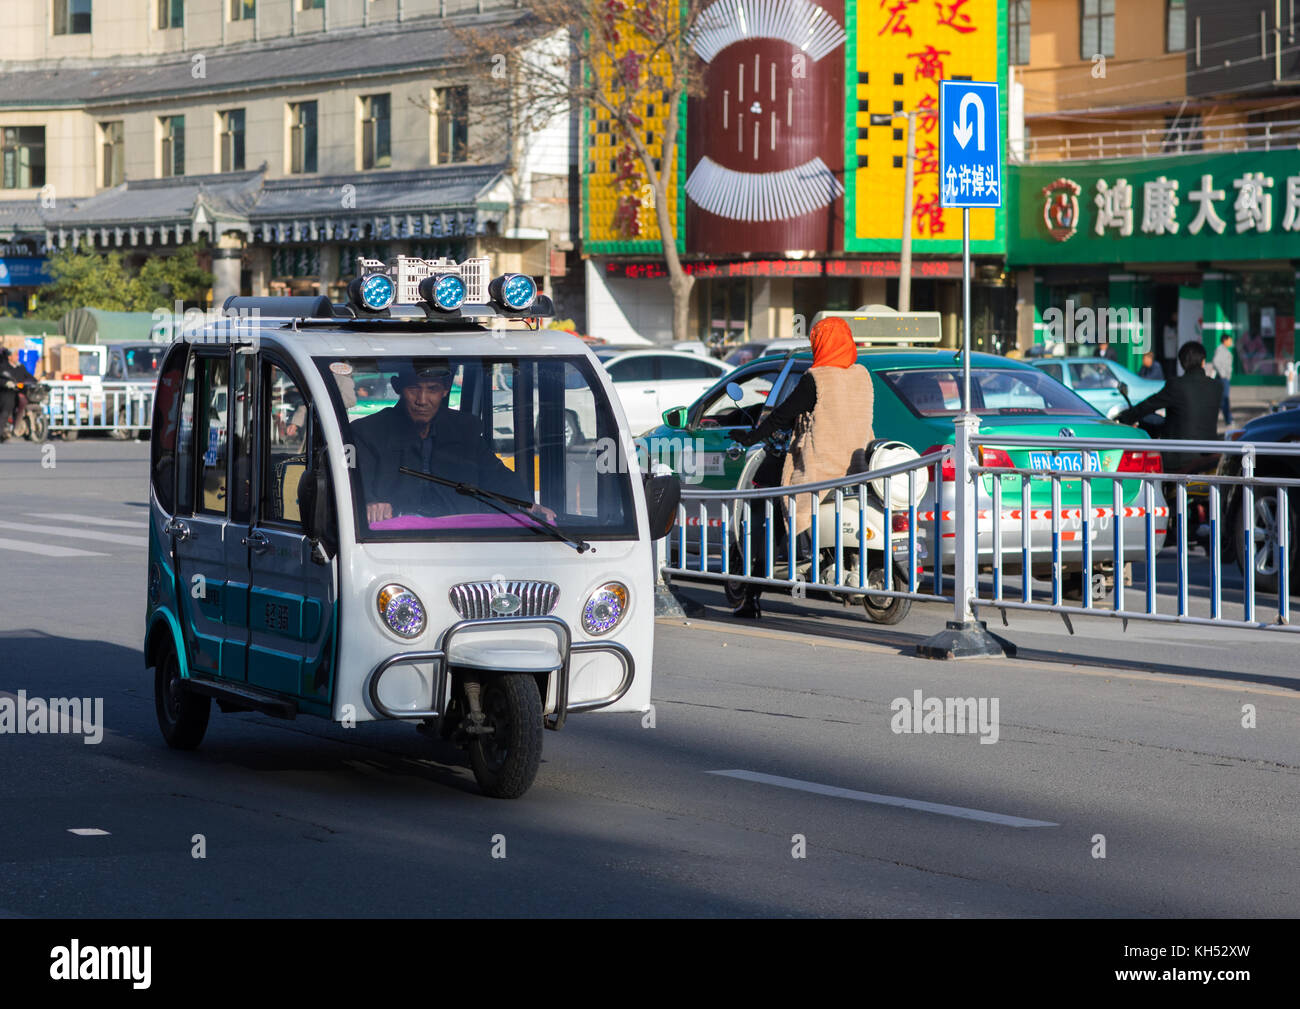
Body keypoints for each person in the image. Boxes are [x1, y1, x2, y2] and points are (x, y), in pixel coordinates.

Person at [729, 317, 874, 618]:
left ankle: (753, 595)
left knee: (773, 515)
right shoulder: (862, 375)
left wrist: (750, 437)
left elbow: (782, 415)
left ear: (821, 343)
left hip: (819, 469)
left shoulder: (817, 378)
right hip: (858, 468)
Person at [349, 360, 554, 527]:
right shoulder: (368, 432)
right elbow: (353, 484)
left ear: (445, 390)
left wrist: (528, 506)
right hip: (393, 542)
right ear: (397, 387)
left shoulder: (464, 430)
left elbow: (495, 475)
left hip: (460, 541)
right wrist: (368, 503)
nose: (422, 399)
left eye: (432, 389)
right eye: (414, 388)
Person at [1116, 341, 1222, 471]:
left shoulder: (1177, 385)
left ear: (1182, 363)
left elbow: (1149, 405)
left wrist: (1124, 418)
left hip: (1179, 459)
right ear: (1203, 362)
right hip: (1210, 456)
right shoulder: (1216, 387)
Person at [0, 347, 38, 440]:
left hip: (20, 392)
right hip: (7, 392)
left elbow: (29, 377)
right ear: (9, 357)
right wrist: (6, 383)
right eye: (15, 355)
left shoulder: (20, 367)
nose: (17, 357)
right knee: (6, 408)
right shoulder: (3, 367)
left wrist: (36, 381)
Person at [1211, 333, 1234, 426]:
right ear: (1225, 340)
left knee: (1223, 400)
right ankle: (1228, 420)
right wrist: (1223, 374)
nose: (1231, 342)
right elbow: (1215, 362)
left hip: (1224, 378)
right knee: (1224, 400)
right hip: (1223, 379)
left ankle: (1228, 419)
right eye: (1229, 339)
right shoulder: (1220, 349)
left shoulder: (1224, 349)